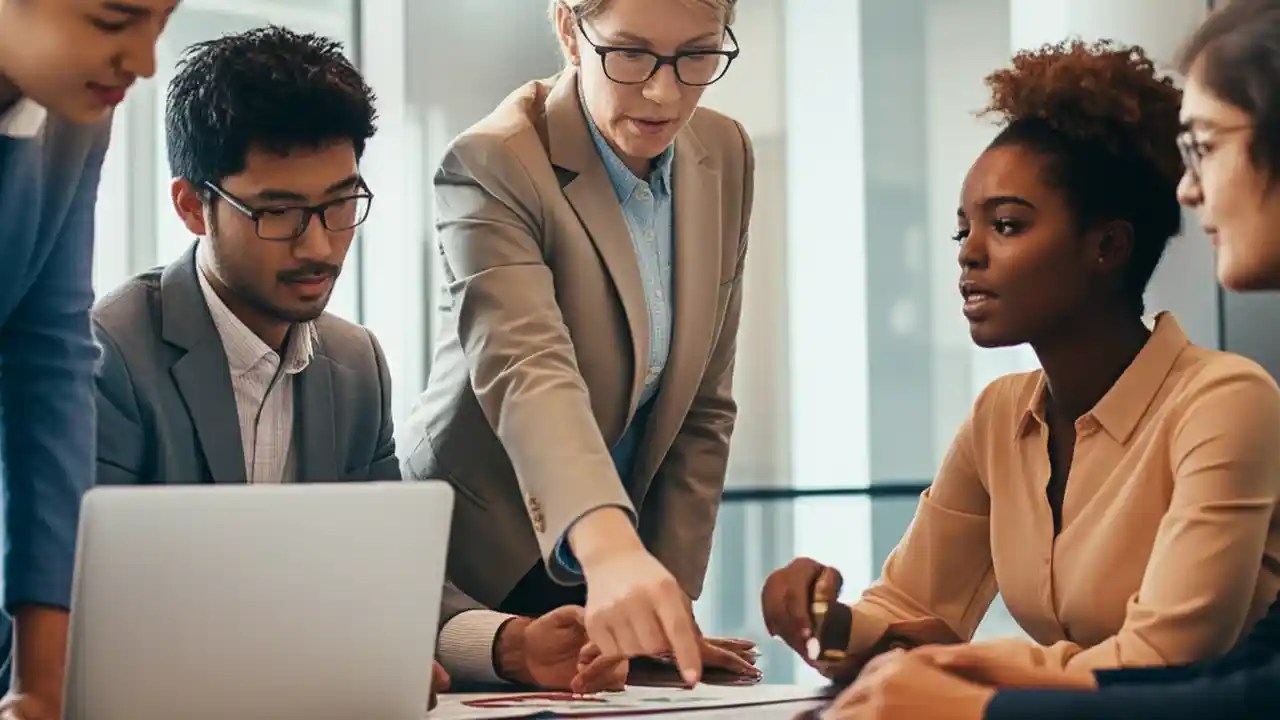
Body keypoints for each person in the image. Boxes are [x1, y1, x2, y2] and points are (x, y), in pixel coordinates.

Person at [91, 26, 625, 697]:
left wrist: (511, 645)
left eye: (341, 203)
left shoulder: (353, 364)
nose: (319, 246)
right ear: (193, 207)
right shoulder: (111, 355)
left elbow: (390, 580)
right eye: (278, 212)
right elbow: (60, 613)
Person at [763, 38, 1280, 685]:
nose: (968, 254)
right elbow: (910, 609)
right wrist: (822, 619)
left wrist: (948, 666)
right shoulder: (1000, 416)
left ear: (1108, 246)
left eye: (1006, 225)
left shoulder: (1225, 401)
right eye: (963, 230)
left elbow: (1163, 663)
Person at [398, 0, 759, 685]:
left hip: (612, 560)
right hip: (470, 564)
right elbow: (528, 370)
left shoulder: (725, 153)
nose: (665, 90)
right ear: (568, 30)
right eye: (629, 54)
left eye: (698, 55)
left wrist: (665, 604)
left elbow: (703, 406)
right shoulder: (493, 161)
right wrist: (612, 553)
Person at [0, 1, 175, 717]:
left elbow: (49, 361)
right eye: (113, 21)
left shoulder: (75, 117)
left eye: (162, 22)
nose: (144, 61)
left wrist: (39, 689)